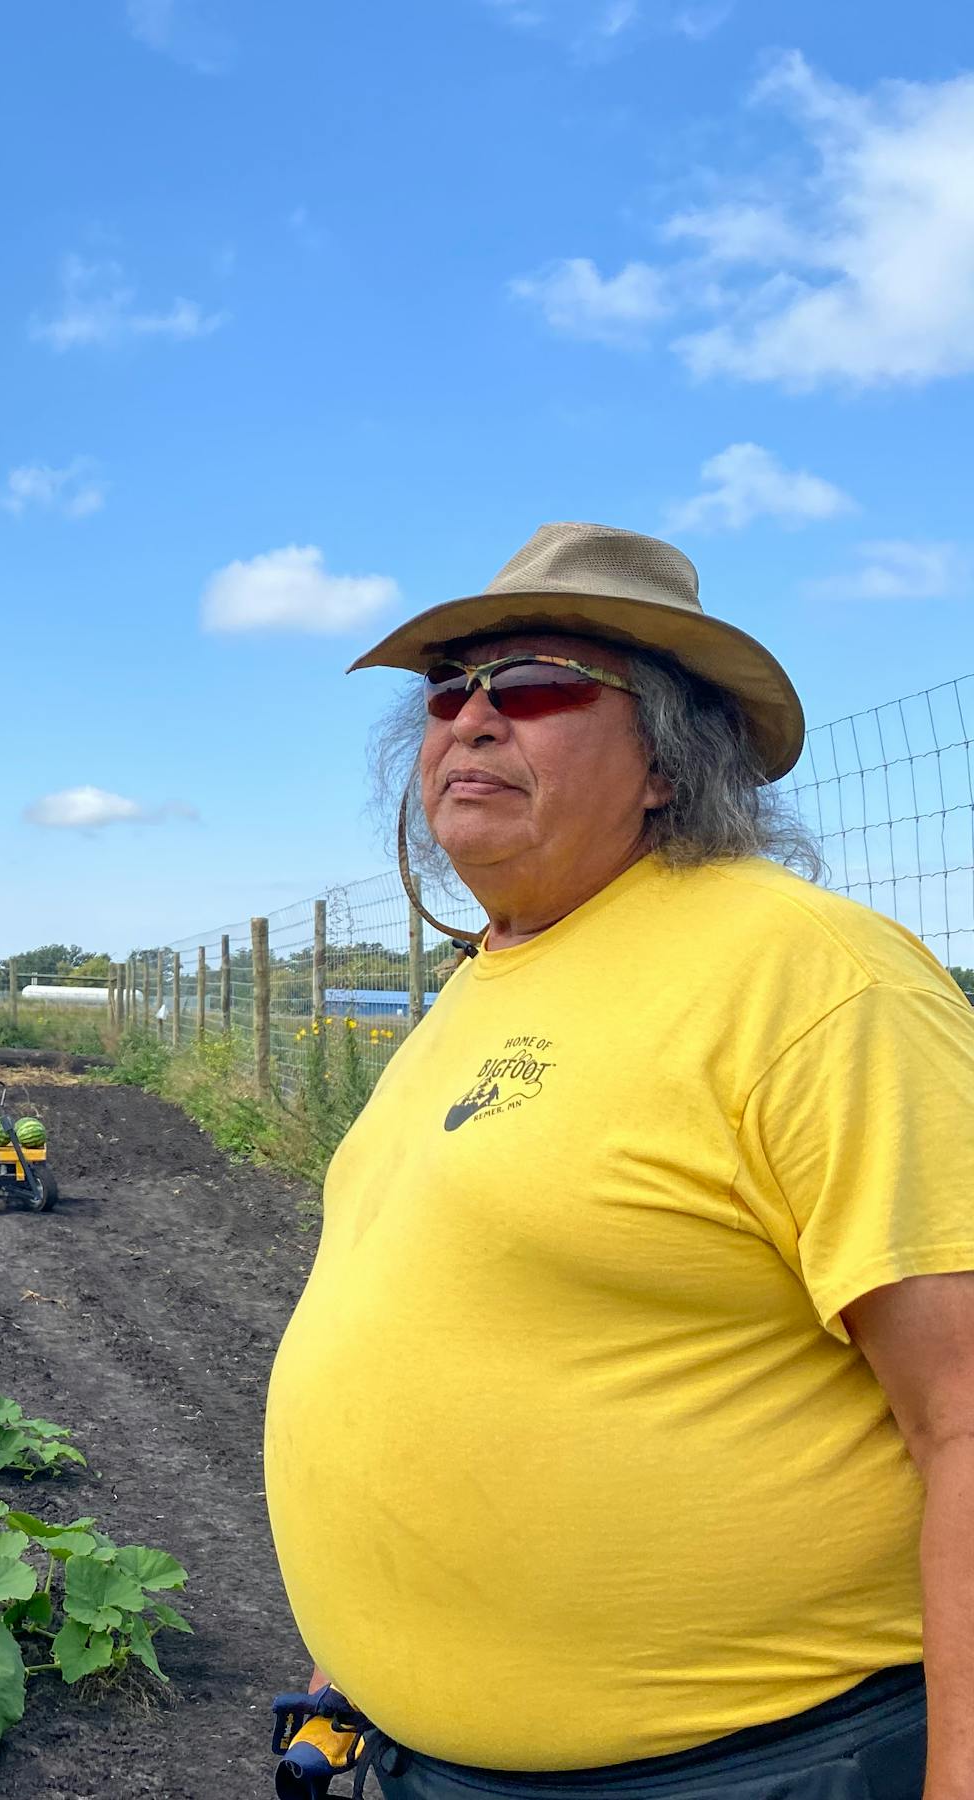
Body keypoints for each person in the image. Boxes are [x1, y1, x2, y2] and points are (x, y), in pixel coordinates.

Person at [262, 522, 974, 1798]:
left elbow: (965, 1414)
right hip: (422, 1752)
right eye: (449, 692)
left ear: (667, 757)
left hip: (748, 1768)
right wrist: (363, 1633)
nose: (472, 723)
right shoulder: (484, 979)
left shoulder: (813, 976)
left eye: (535, 685)